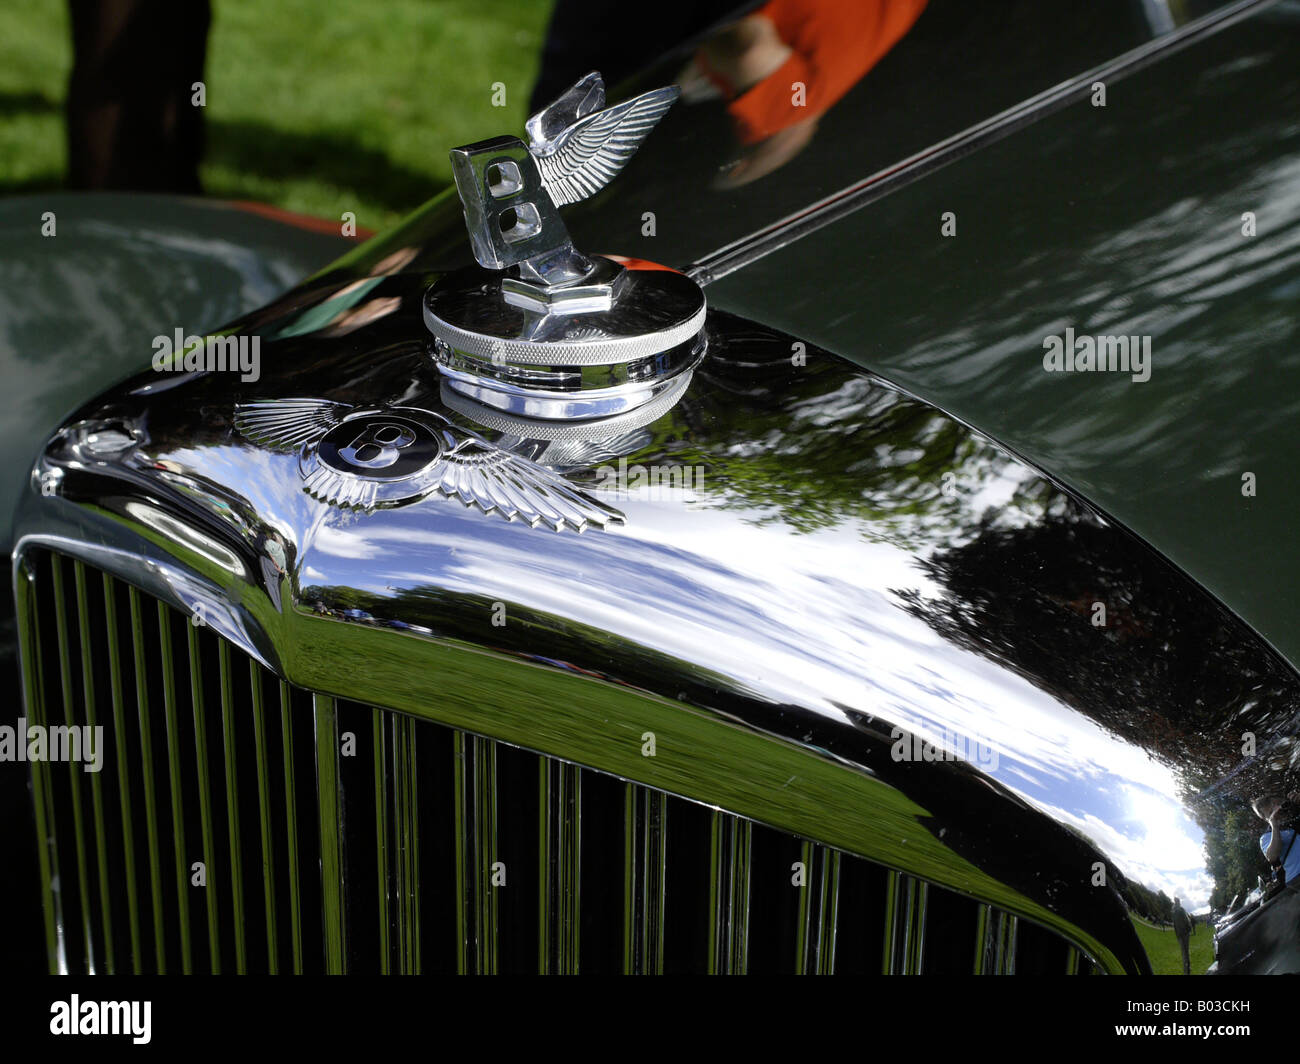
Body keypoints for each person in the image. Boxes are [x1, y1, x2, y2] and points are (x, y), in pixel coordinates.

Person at [1253, 795, 1300, 894]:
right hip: (1296, 877)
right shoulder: (1266, 837)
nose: (1277, 810)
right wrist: (1274, 823)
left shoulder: (1295, 815)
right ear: (1265, 819)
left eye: (1278, 804)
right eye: (1270, 812)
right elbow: (1272, 856)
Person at [1171, 897, 1192, 975]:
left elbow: (1175, 925)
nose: (1178, 902)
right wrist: (1189, 928)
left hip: (1182, 934)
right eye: (1177, 901)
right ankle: (1187, 969)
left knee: (1184, 952)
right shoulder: (1179, 910)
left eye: (1177, 901)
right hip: (1183, 933)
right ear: (1177, 902)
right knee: (1185, 952)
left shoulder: (1174, 911)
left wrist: (1177, 935)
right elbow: (1186, 920)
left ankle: (1187, 969)